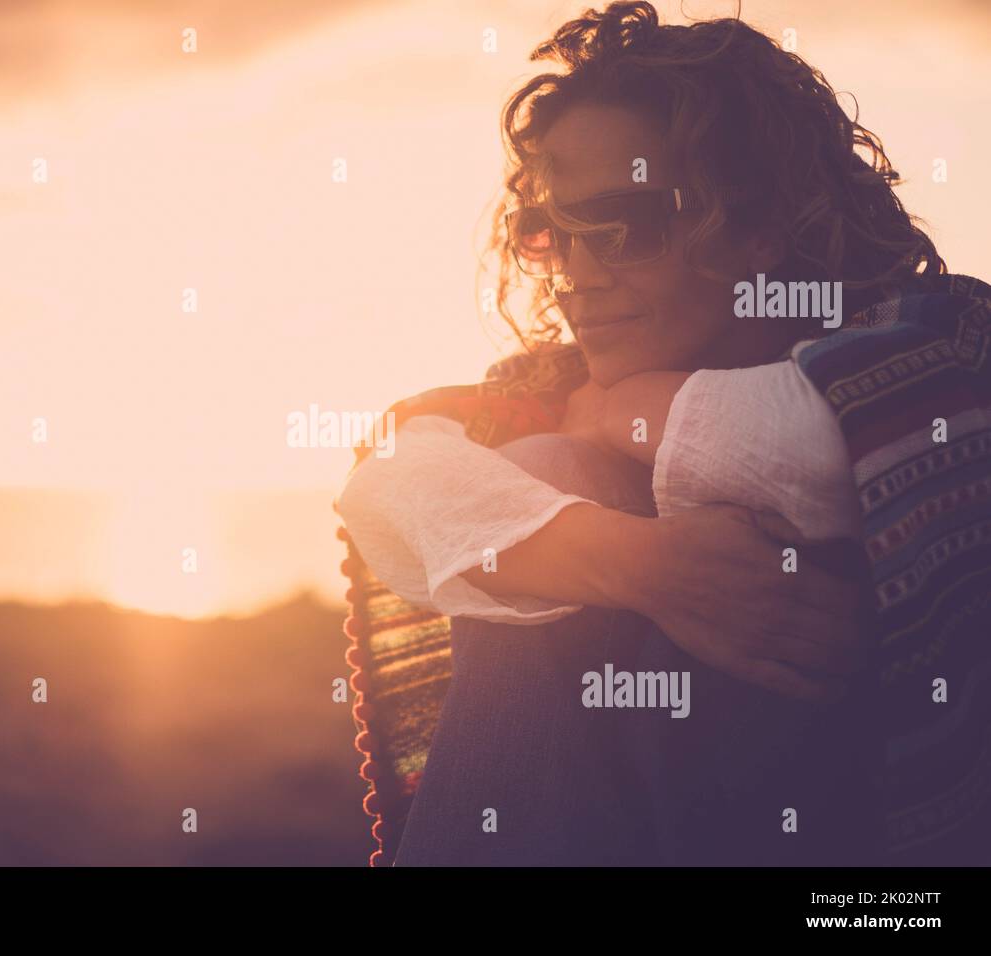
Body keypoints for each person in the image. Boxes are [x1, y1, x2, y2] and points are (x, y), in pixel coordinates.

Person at [334, 1, 989, 864]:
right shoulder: (554, 389)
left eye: (626, 223)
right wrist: (651, 568)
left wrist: (620, 412)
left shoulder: (940, 338)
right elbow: (390, 480)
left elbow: (831, 457)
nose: (577, 275)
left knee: (546, 471)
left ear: (758, 222)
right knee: (546, 470)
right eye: (552, 232)